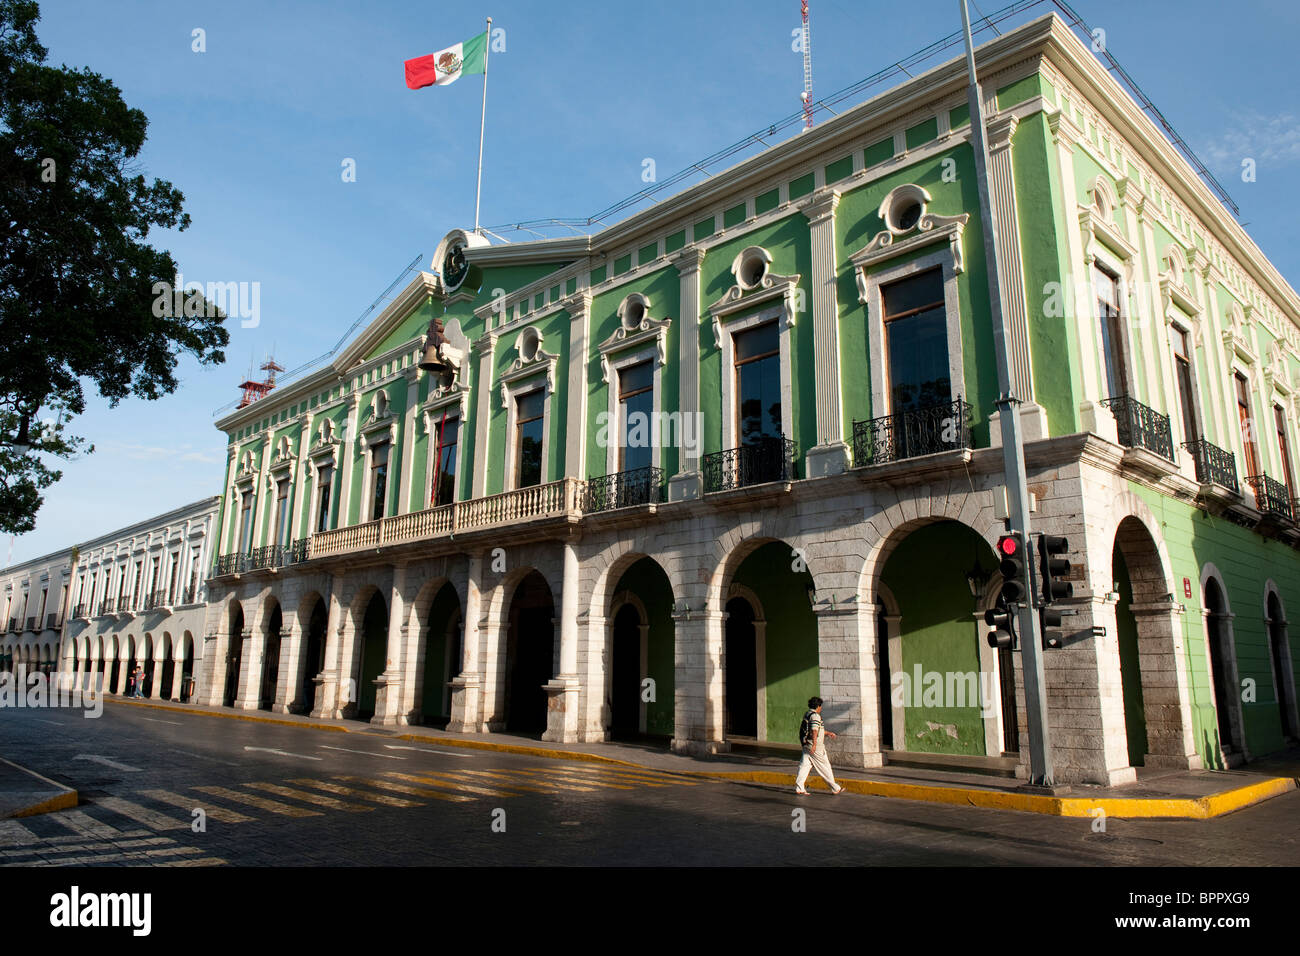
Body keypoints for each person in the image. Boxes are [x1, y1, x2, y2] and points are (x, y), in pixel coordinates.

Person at [795, 696, 844, 795]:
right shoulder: (815, 716)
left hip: (806, 745)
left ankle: (799, 787)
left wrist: (828, 733)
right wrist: (815, 745)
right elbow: (814, 730)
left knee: (804, 766)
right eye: (820, 706)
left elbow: (817, 729)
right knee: (824, 767)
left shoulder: (808, 714)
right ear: (818, 706)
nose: (821, 708)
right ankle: (835, 788)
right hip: (815, 747)